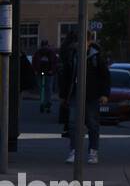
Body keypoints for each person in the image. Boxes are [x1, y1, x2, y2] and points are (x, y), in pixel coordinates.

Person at [64, 36, 111, 165]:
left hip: (92, 95)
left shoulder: (96, 57)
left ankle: (93, 151)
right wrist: (64, 95)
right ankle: (74, 151)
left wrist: (104, 94)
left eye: (82, 40)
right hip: (75, 94)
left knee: (92, 124)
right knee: (73, 124)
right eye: (78, 40)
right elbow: (66, 75)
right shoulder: (72, 55)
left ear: (89, 42)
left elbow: (105, 76)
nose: (79, 43)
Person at [57, 31, 77, 134]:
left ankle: (66, 125)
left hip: (66, 80)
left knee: (66, 103)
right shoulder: (73, 50)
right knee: (72, 105)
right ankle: (69, 126)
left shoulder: (64, 48)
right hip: (71, 80)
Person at [33, 40, 56, 113]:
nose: (44, 47)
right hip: (41, 73)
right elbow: (34, 62)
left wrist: (52, 70)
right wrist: (36, 70)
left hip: (49, 73)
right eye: (43, 45)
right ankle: (43, 102)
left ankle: (48, 102)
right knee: (42, 88)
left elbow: (54, 62)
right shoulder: (38, 53)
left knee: (48, 88)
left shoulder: (51, 53)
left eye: (45, 45)